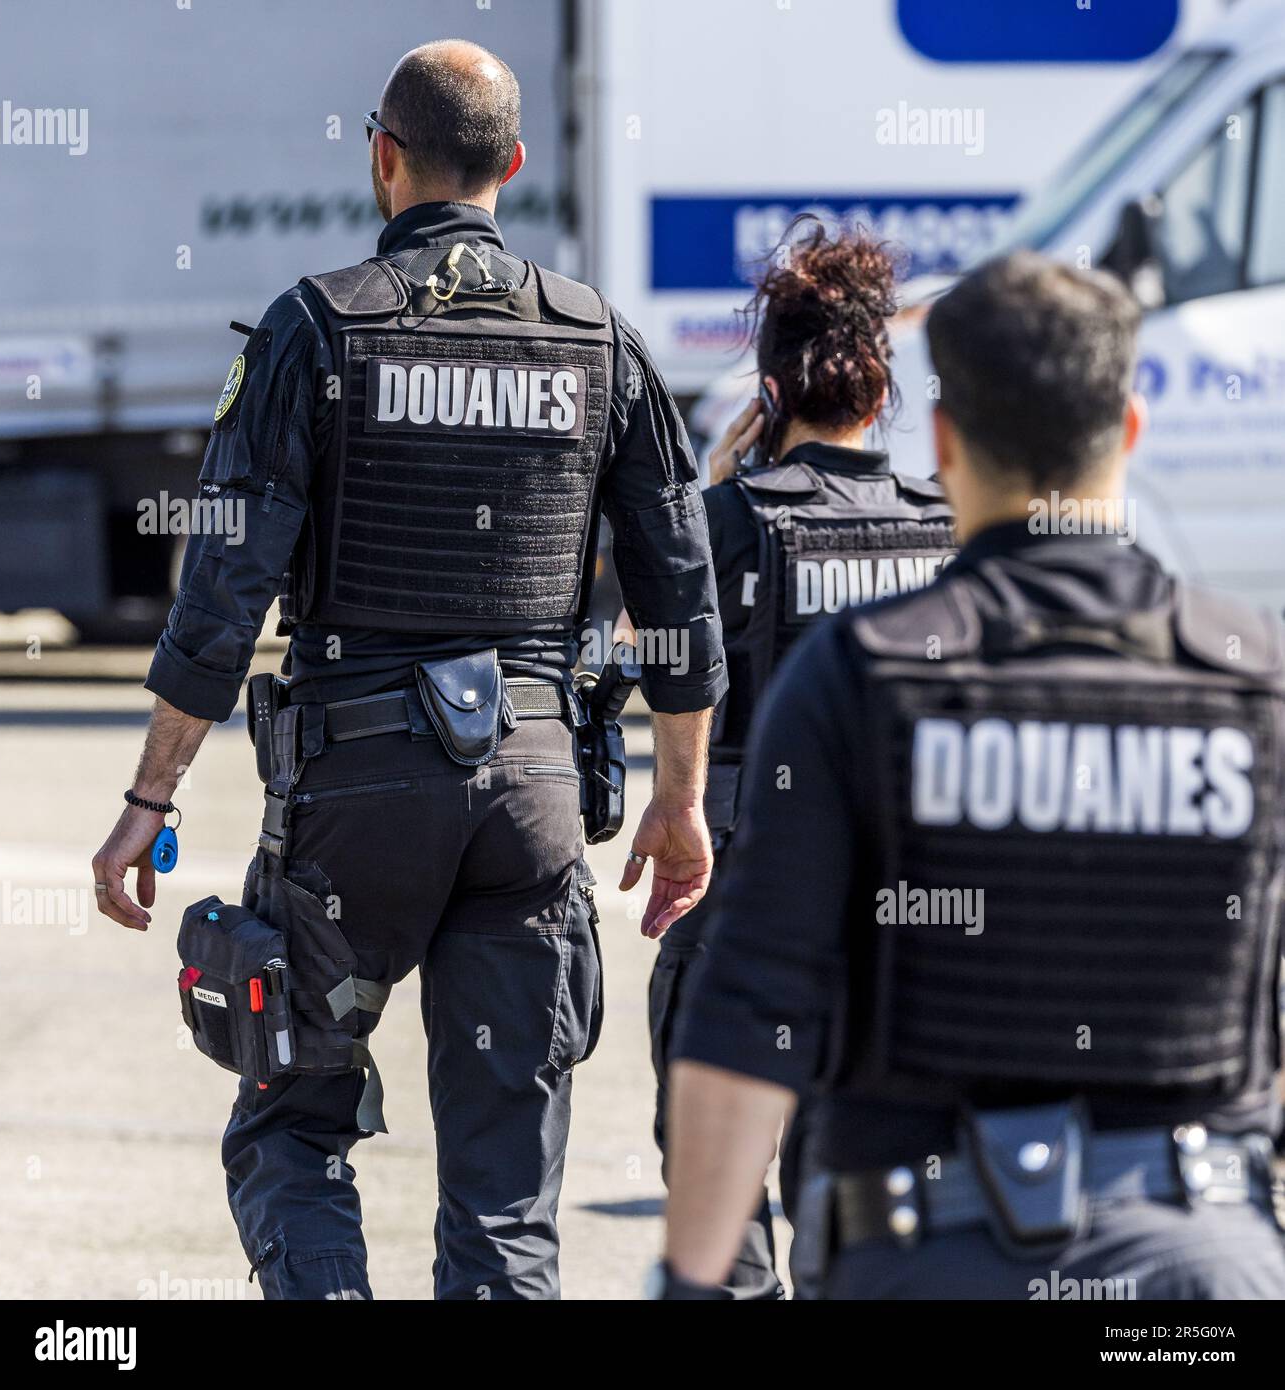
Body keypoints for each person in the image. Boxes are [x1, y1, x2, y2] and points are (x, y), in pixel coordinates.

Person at [90, 39, 725, 1301]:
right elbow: (683, 598)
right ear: (516, 166)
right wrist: (678, 796)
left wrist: (150, 799)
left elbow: (223, 591)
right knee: (505, 1194)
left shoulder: (314, 328)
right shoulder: (599, 343)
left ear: (383, 156)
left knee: (292, 1116)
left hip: (356, 794)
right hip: (536, 797)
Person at [659, 251, 1285, 1300]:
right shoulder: (1250, 676)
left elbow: (751, 1013)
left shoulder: (859, 676)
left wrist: (687, 1282)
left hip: (931, 1261)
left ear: (943, 444)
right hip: (1198, 1280)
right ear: (1128, 427)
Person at [643, 225, 954, 1298]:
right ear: (882, 385)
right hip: (904, 924)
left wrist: (725, 483)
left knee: (717, 1203)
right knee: (864, 1200)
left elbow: (654, 672)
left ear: (769, 385)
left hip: (740, 904)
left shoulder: (724, 520)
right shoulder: (946, 532)